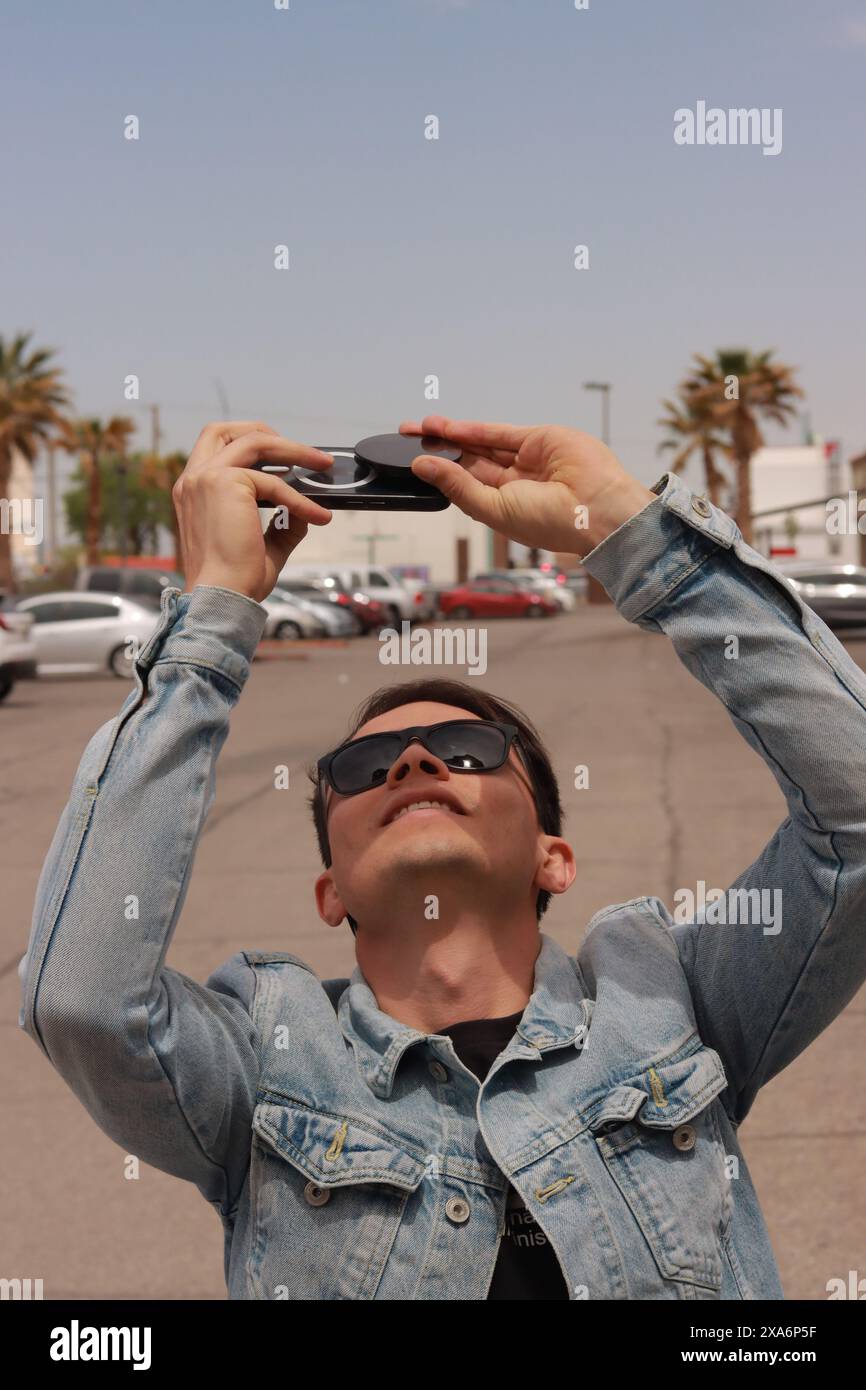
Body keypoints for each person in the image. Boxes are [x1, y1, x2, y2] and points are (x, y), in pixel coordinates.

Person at [18, 415, 866, 1300]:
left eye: (467, 749)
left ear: (554, 858)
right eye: (364, 768)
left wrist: (627, 528)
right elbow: (79, 999)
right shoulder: (266, 1065)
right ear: (330, 890)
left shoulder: (671, 999)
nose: (416, 764)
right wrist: (214, 617)